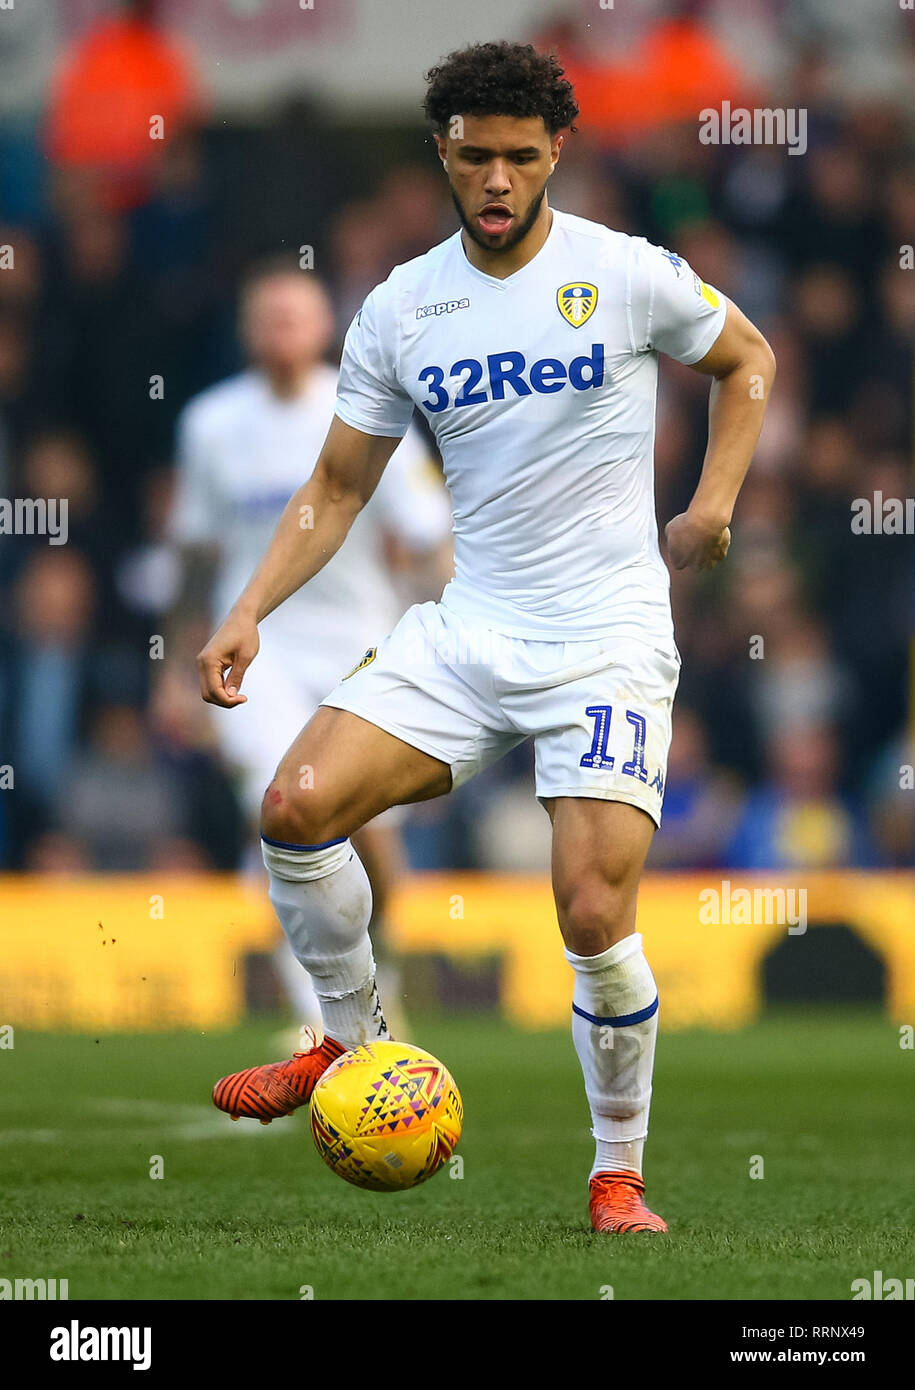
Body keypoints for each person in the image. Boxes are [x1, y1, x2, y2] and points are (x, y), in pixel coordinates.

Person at [197, 42, 775, 1233]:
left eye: (521, 155)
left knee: (591, 914)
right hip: (470, 628)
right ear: (444, 157)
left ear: (557, 151)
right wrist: (250, 605)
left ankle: (617, 1176)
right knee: (295, 807)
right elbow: (338, 486)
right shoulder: (404, 305)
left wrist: (714, 503)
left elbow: (747, 361)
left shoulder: (624, 272)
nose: (500, 177)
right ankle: (350, 1043)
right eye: (476, 156)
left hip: (606, 639)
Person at [170, 262, 451, 1027]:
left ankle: (374, 975)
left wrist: (450, 633)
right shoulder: (209, 424)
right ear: (246, 331)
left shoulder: (366, 407)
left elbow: (429, 535)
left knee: (374, 848)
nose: (281, 332)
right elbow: (194, 555)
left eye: (295, 316)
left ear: (325, 326)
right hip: (259, 654)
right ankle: (325, 1020)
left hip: (365, 643)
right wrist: (173, 661)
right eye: (267, 318)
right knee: (283, 808)